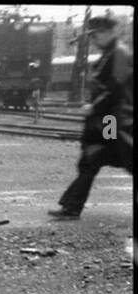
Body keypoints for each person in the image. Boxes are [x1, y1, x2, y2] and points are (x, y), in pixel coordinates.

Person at [49, 13, 133, 218]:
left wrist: (94, 106)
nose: (94, 40)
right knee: (95, 158)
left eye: (97, 35)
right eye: (92, 36)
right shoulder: (109, 53)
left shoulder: (119, 53)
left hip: (112, 119)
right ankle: (71, 206)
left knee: (100, 155)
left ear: (111, 32)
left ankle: (71, 206)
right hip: (107, 118)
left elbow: (116, 86)